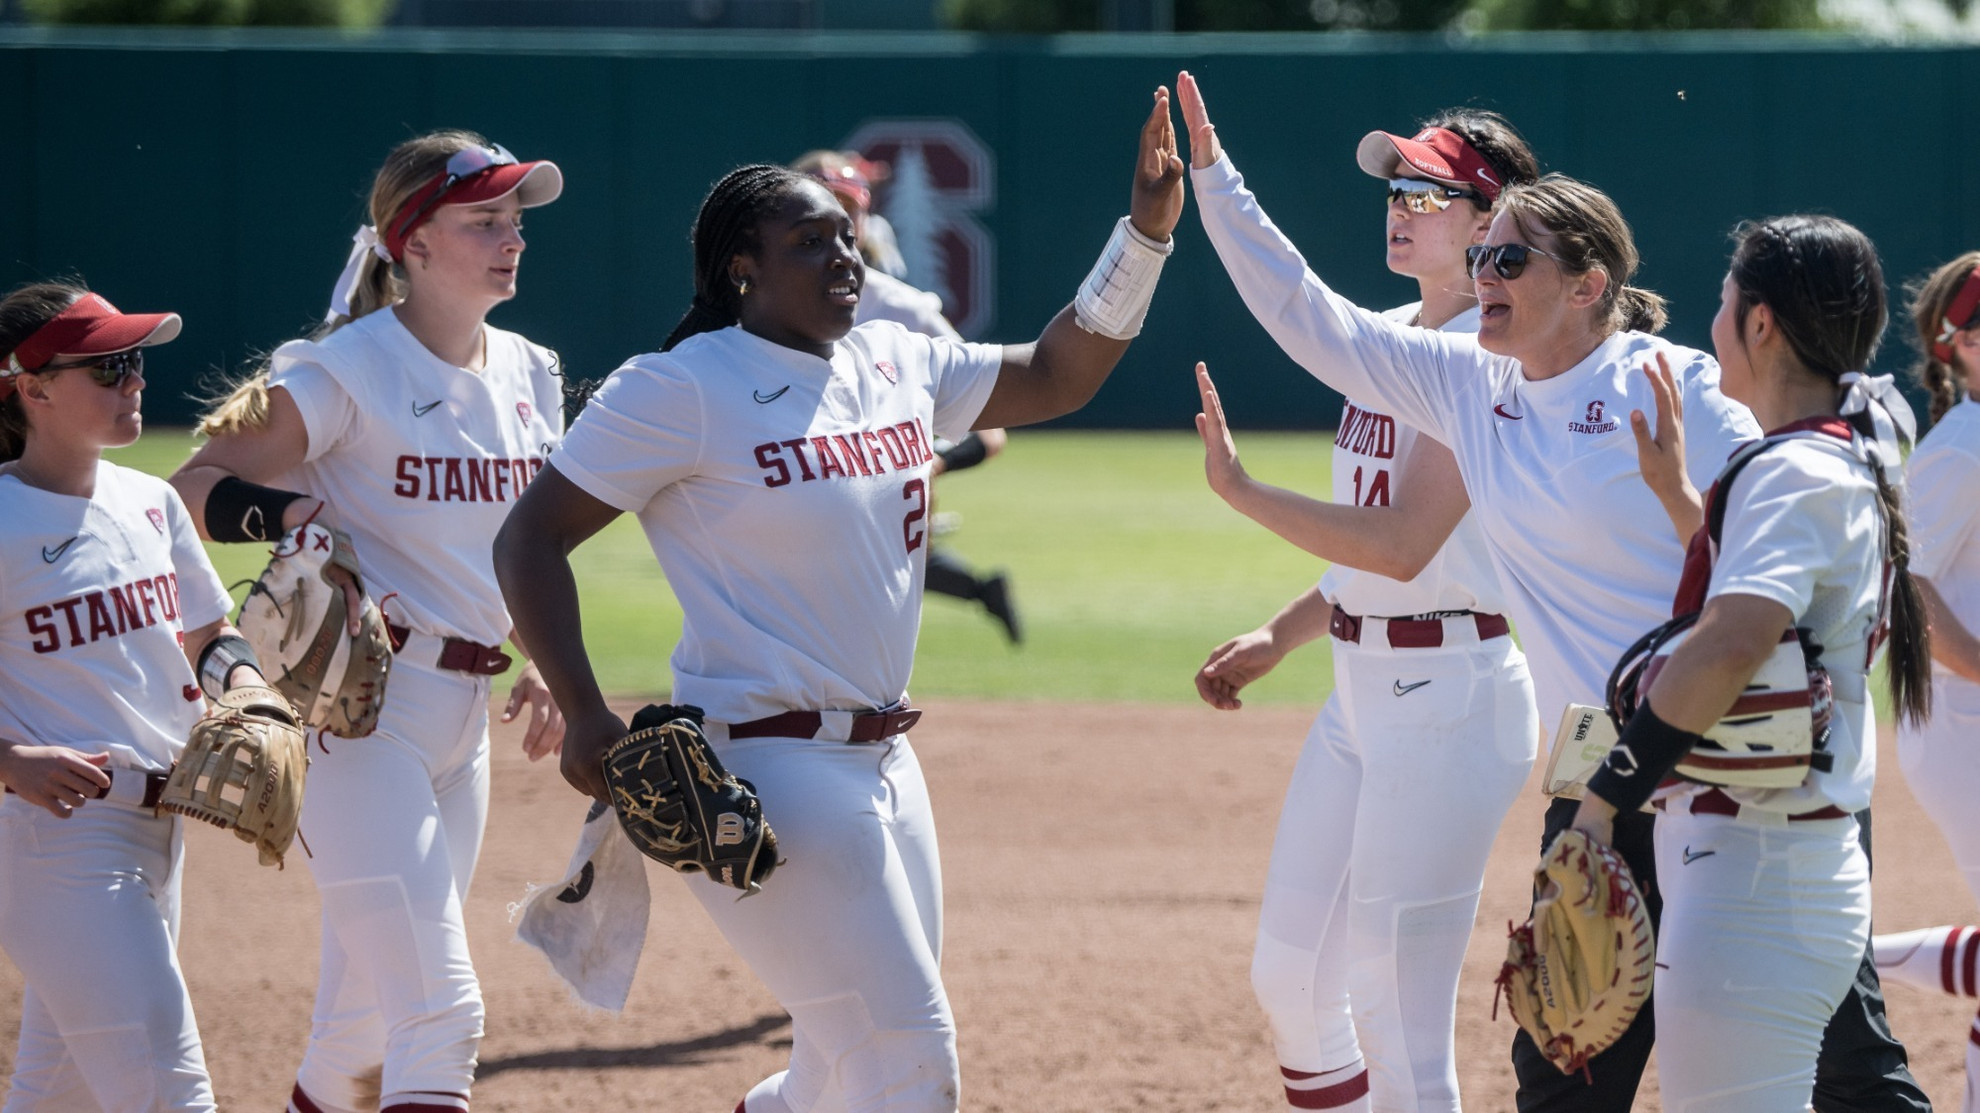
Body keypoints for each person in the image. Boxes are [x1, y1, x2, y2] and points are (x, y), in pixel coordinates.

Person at [1176, 71, 1928, 1113]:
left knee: (1845, 1070)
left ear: (1585, 285)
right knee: (1563, 1072)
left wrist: (1683, 502)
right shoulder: (1466, 383)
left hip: (1739, 777)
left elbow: (1794, 558)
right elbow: (1309, 315)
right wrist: (1216, 182)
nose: (1483, 275)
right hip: (1597, 778)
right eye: (1481, 256)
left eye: (1508, 259)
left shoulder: (1671, 387)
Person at [493, 88, 1185, 1113]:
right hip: (768, 765)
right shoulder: (681, 387)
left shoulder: (893, 361)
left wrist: (1145, 236)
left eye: (849, 239)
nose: (844, 257)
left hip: (888, 763)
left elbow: (1057, 374)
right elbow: (529, 538)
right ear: (742, 265)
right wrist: (586, 709)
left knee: (830, 1073)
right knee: (911, 1062)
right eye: (811, 242)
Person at [166, 131, 568, 1113]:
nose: (512, 237)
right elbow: (190, 489)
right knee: (440, 1014)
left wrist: (548, 659)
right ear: (412, 241)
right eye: (485, 219)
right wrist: (292, 511)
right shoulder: (345, 370)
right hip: (358, 719)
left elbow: (522, 544)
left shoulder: (532, 371)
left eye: (515, 219)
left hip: (463, 722)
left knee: (360, 1036)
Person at [1191, 111, 1543, 1111]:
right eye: (1397, 188)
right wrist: (1284, 630)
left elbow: (1401, 546)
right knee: (1293, 982)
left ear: (1491, 220)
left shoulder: (1491, 358)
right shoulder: (1396, 337)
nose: (1401, 207)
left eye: (1429, 192)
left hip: (1452, 702)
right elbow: (1371, 560)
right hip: (1361, 689)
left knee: (1395, 1018)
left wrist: (1245, 493)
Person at [1570, 213, 1930, 1111]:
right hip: (1783, 866)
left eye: (1727, 301)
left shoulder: (1794, 468)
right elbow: (1774, 608)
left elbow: (1735, 641)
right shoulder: (1840, 451)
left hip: (1753, 877)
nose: (1716, 320)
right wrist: (1676, 496)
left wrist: (1607, 794)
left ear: (1761, 323)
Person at [0, 281, 270, 1110]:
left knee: (60, 1095)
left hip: (161, 827)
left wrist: (249, 688)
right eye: (108, 366)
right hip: (58, 837)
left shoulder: (151, 500)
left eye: (135, 362)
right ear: (32, 387)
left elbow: (208, 632)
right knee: (169, 1090)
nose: (135, 380)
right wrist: (7, 757)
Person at [794, 150, 1022, 643]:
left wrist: (929, 460)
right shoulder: (747, 307)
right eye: (815, 209)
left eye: (846, 211)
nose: (832, 227)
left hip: (868, 523)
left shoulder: (902, 310)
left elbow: (991, 429)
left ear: (864, 219)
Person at [1865, 253, 1980, 1113]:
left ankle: (1848, 962)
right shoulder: (1961, 448)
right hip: (1964, 727)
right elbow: (1904, 586)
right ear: (1956, 345)